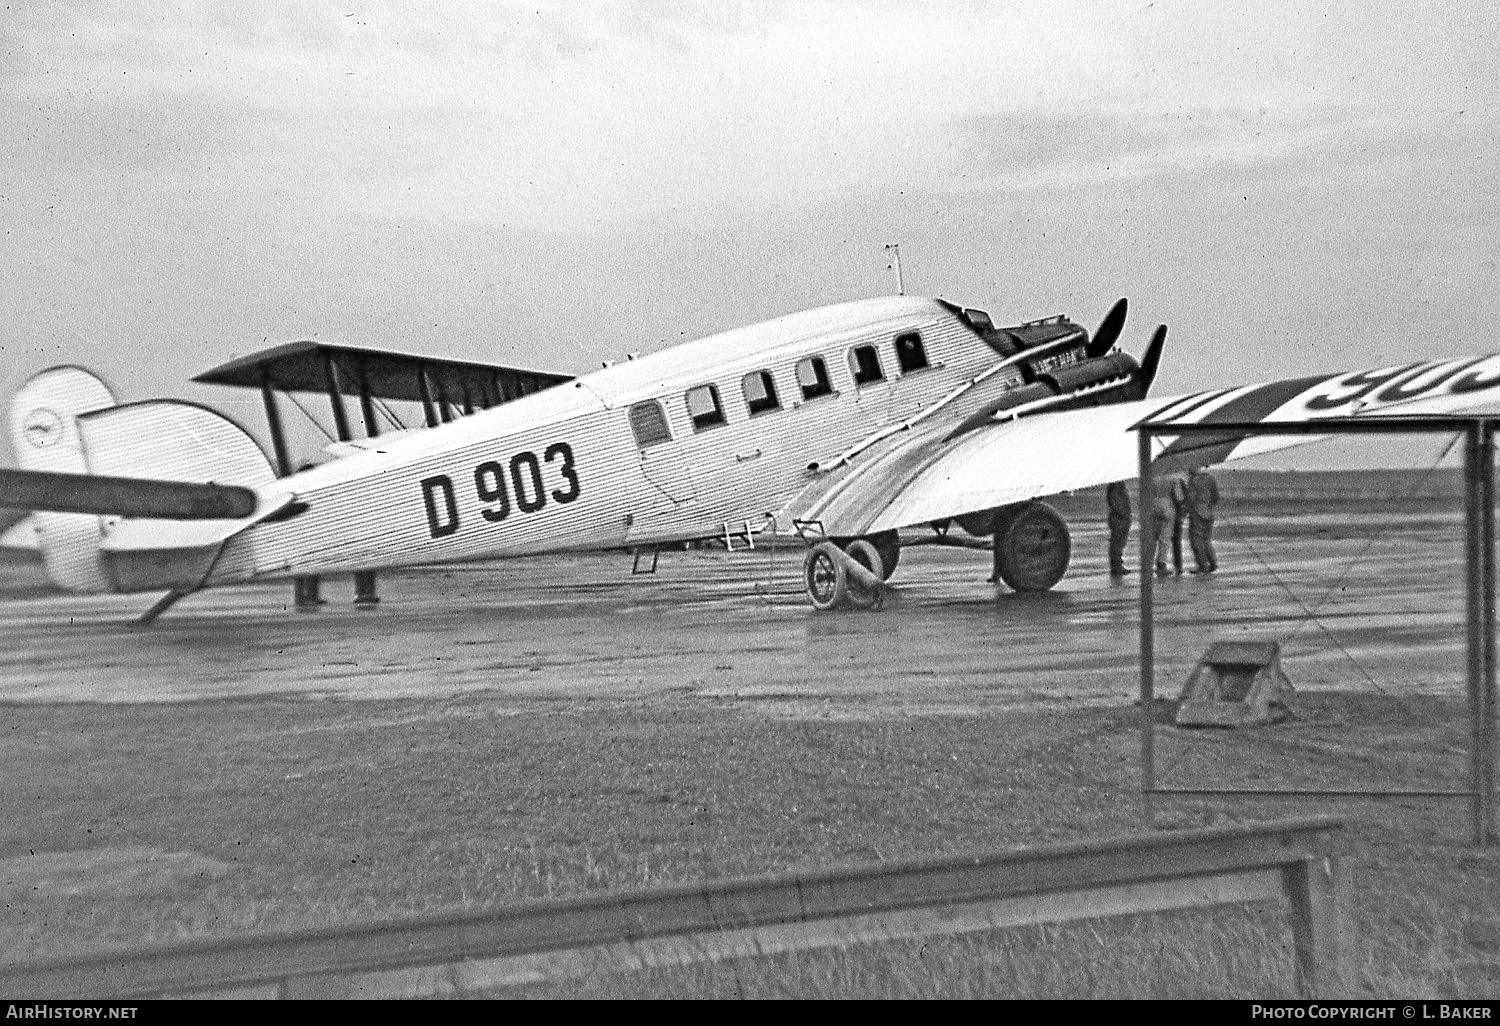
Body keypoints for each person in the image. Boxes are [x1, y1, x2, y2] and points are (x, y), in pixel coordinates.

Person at [1187, 466, 1220, 573]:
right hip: (1209, 512)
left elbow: (1191, 498)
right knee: (1207, 539)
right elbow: (1216, 496)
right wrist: (1210, 504)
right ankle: (1213, 563)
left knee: (1196, 540)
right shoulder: (1210, 478)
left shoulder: (1193, 481)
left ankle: (1202, 565)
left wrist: (1186, 509)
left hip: (1197, 512)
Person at [1151, 476, 1179, 576]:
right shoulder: (1172, 478)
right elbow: (1177, 496)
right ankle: (1161, 564)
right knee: (1165, 538)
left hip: (1153, 505)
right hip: (1167, 505)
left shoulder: (1152, 477)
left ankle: (1148, 562)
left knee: (1152, 537)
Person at [1105, 481, 1133, 576]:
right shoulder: (1117, 486)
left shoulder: (1117, 485)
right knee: (1117, 543)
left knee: (1119, 543)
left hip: (1120, 517)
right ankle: (1116, 565)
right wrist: (1125, 515)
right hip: (1119, 518)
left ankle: (1117, 564)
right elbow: (1117, 503)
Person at [1168, 472, 1189, 574]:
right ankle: (1178, 565)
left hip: (1166, 512)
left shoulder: (1160, 478)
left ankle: (1161, 564)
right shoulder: (1178, 480)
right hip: (1175, 514)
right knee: (1176, 541)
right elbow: (1181, 499)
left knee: (1163, 540)